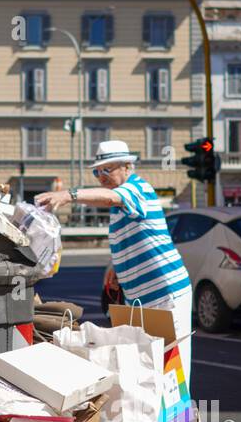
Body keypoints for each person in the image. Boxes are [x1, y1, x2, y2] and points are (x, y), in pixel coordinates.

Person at [35, 139, 193, 384]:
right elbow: (131, 236)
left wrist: (69, 195)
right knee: (148, 369)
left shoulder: (138, 188)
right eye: (97, 172)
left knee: (172, 370)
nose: (101, 176)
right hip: (139, 300)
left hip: (165, 294)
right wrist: (114, 267)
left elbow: (110, 198)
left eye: (106, 170)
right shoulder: (121, 204)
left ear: (128, 166)